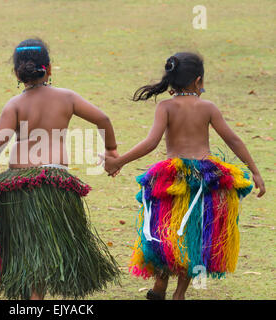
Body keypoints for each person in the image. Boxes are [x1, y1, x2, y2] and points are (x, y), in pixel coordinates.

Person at [102, 52, 265, 300]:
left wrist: (119, 162)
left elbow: (150, 142)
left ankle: (160, 283)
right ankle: (179, 293)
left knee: (166, 230)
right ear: (198, 80)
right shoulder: (207, 107)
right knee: (193, 234)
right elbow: (232, 138)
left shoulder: (165, 106)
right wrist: (253, 170)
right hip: (205, 179)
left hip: (172, 179)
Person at [0, 38, 121, 300]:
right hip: (56, 183)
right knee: (43, 252)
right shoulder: (67, 97)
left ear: (17, 73)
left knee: (25, 250)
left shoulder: (15, 105)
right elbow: (103, 119)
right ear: (49, 69)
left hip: (19, 186)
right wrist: (111, 150)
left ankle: (33, 301)